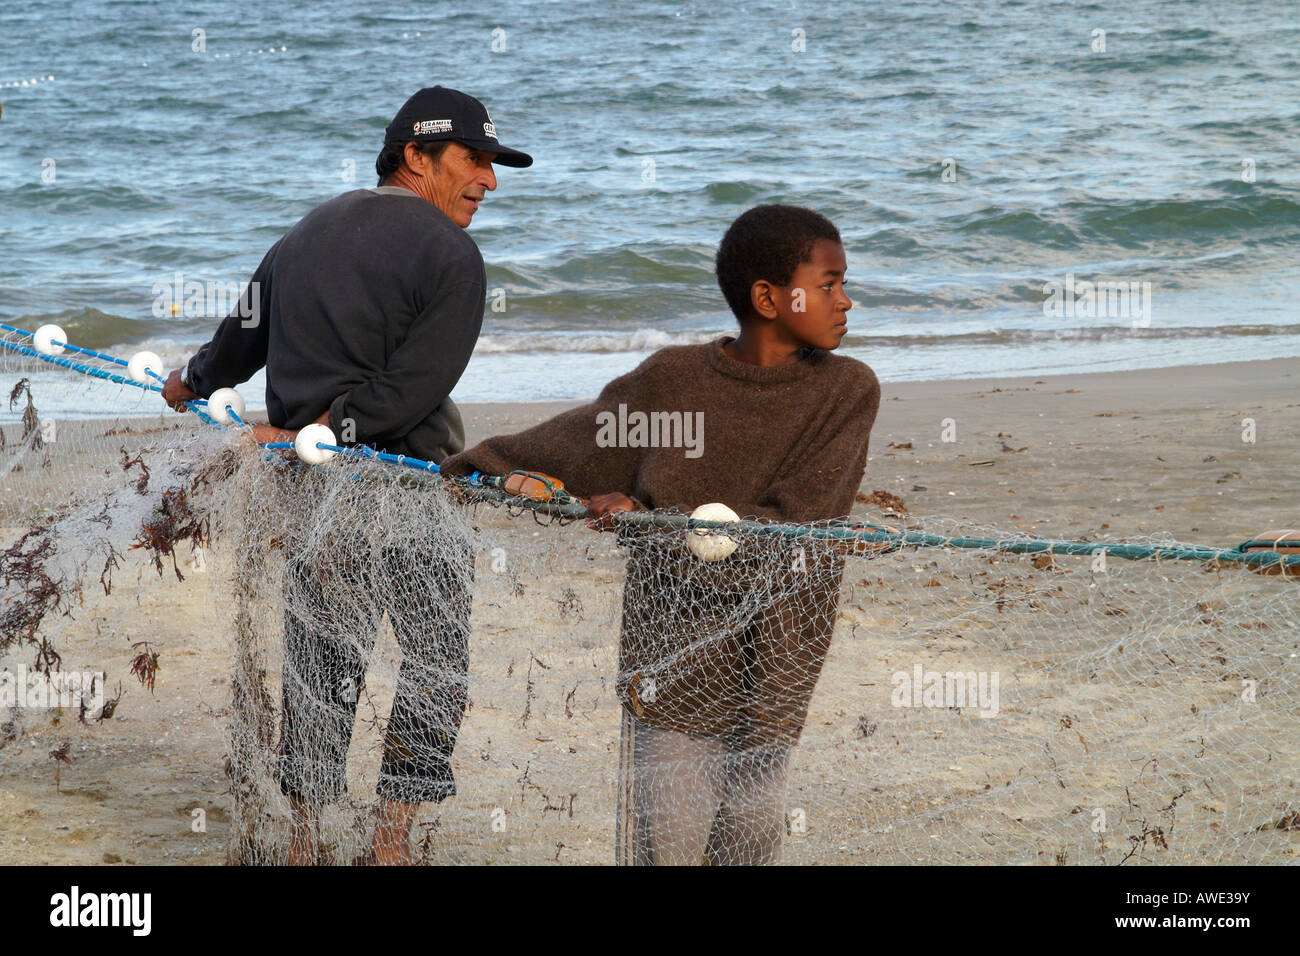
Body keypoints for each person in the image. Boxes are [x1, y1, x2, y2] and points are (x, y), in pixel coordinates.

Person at [440, 204, 880, 864]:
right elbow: (581, 441)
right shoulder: (673, 380)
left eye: (843, 285)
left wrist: (648, 524)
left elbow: (794, 522)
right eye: (829, 284)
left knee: (753, 831)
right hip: (671, 658)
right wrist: (482, 466)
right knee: (666, 844)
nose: (845, 301)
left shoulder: (846, 392)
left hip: (777, 661)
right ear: (768, 298)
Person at [161, 85, 532, 865]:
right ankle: (390, 845)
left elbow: (241, 337)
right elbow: (415, 386)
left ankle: (305, 843)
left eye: (493, 164)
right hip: (406, 489)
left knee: (320, 663)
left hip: (308, 488)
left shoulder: (306, 232)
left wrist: (192, 379)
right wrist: (336, 430)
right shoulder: (453, 255)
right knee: (434, 666)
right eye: (474, 160)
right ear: (416, 156)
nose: (490, 181)